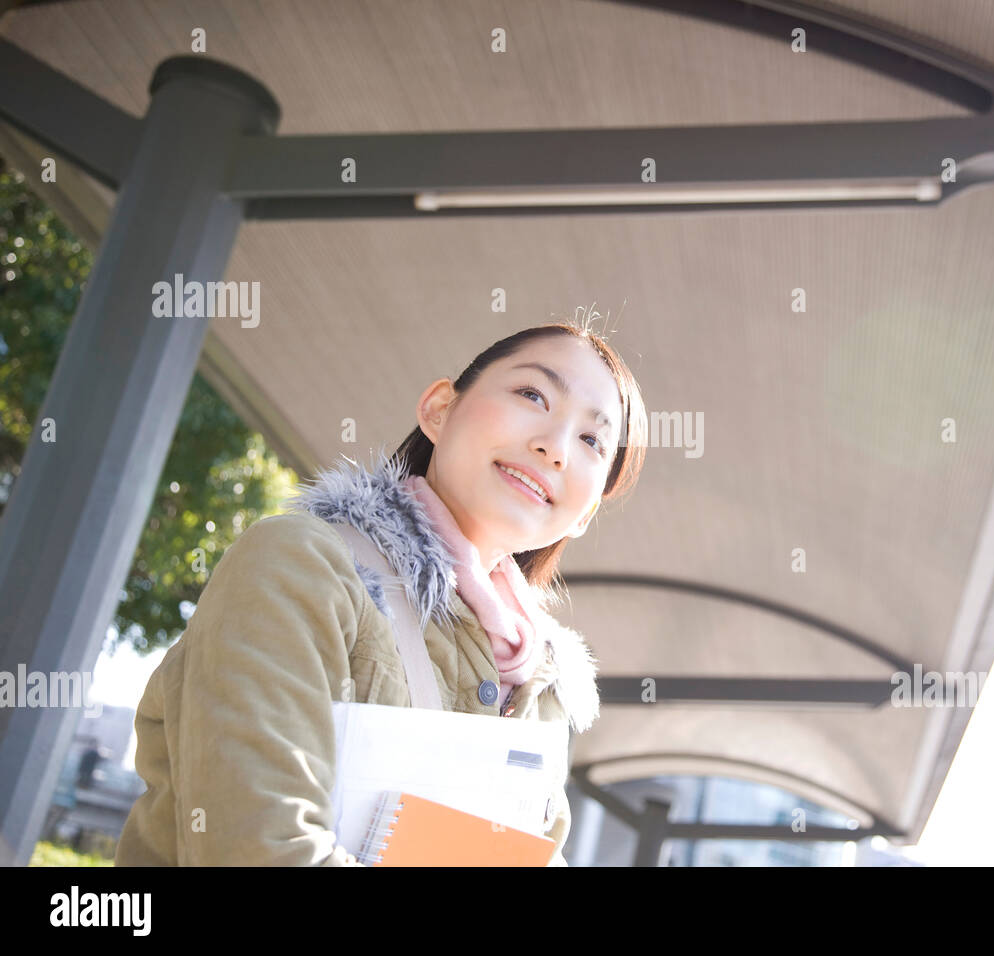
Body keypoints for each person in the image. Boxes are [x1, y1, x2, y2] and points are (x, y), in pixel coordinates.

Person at [114, 320, 648, 865]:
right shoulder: (302, 563)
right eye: (533, 394)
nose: (554, 446)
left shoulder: (542, 684)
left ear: (586, 514)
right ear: (439, 409)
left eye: (591, 441)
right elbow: (259, 849)